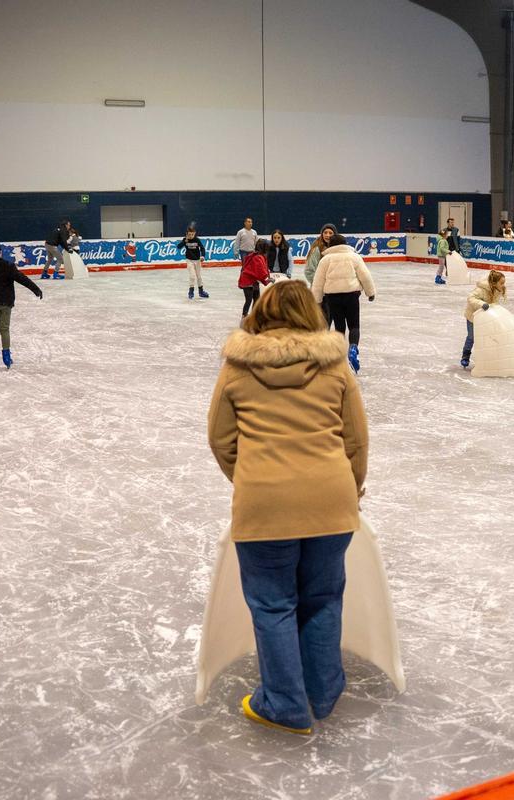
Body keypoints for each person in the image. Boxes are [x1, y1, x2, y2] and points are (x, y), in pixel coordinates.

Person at [207, 280, 367, 736]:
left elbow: (221, 439)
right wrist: (349, 490)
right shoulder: (335, 365)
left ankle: (285, 704)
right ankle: (322, 692)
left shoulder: (237, 367)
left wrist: (257, 480)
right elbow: (356, 438)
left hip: (264, 507)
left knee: (274, 604)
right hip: (330, 502)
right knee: (322, 599)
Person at [312, 234, 376, 374]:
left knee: (339, 327)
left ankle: (339, 359)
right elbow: (365, 275)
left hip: (332, 297)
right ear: (345, 244)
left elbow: (318, 282)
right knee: (354, 325)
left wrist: (317, 300)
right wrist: (370, 293)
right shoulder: (354, 257)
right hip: (351, 295)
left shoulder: (326, 259)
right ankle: (353, 348)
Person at [460, 271, 507, 369]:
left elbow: (494, 303)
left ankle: (487, 358)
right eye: (501, 283)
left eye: (504, 283)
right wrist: (482, 304)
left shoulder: (498, 290)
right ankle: (466, 356)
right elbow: (470, 298)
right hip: (472, 316)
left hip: (485, 318)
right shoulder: (481, 289)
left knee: (488, 337)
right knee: (472, 337)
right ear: (494, 283)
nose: (503, 285)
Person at [239, 239, 272, 324]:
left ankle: (254, 315)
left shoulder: (258, 256)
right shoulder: (258, 257)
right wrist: (267, 279)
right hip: (247, 281)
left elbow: (264, 268)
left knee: (256, 299)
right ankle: (244, 316)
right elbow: (260, 271)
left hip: (253, 281)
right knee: (249, 299)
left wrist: (267, 277)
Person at [183, 227, 209, 299]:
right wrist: (184, 241)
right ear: (187, 234)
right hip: (189, 260)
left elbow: (202, 248)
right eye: (189, 234)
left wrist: (203, 256)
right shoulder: (185, 240)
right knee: (192, 276)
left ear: (194, 233)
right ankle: (191, 291)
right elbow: (179, 246)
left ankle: (201, 292)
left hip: (197, 260)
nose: (191, 236)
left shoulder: (197, 240)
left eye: (192, 234)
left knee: (199, 276)